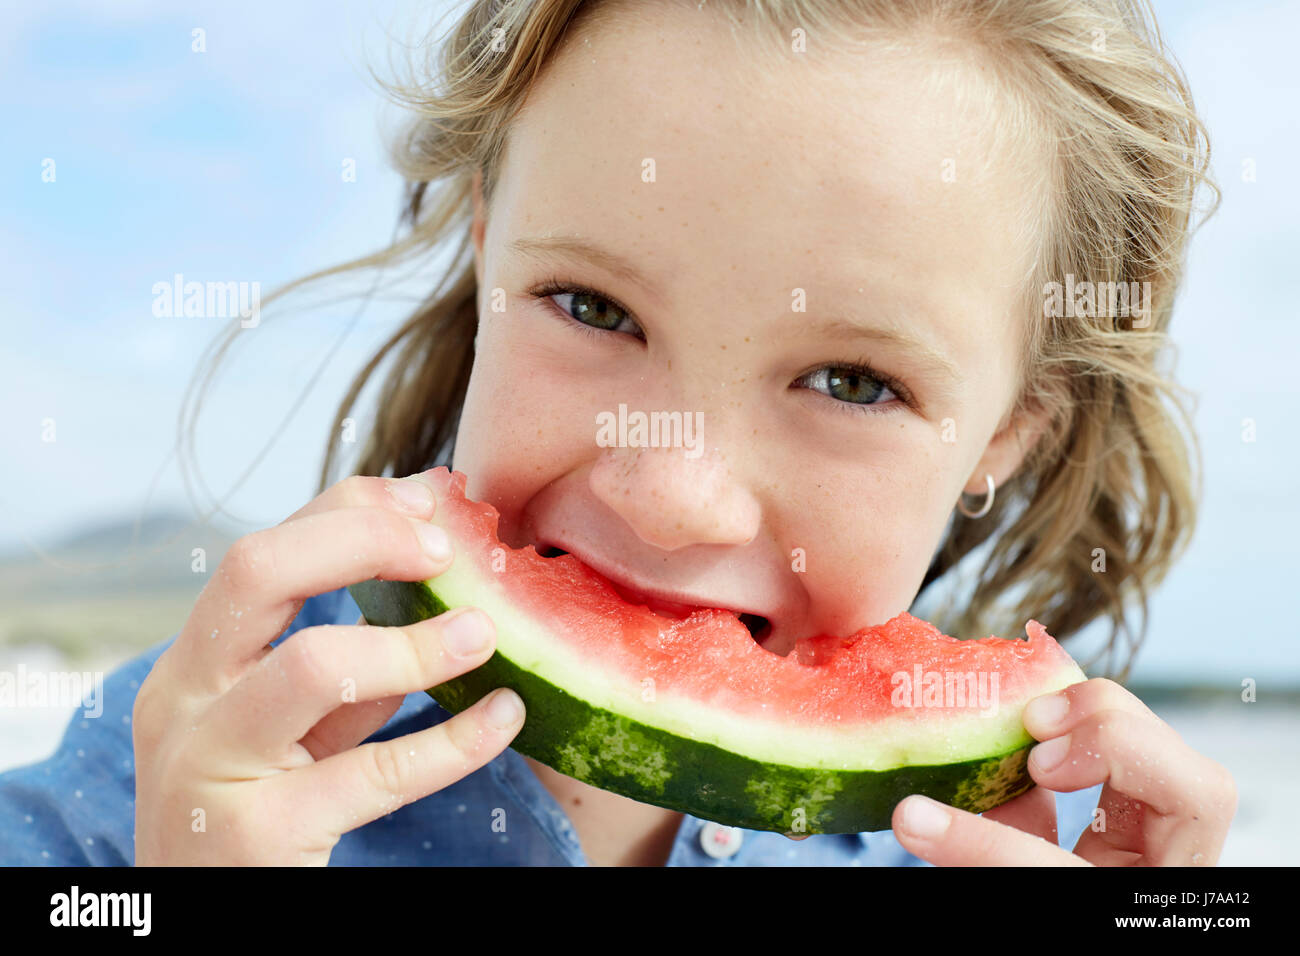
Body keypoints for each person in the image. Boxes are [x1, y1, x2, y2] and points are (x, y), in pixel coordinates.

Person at [0, 0, 1235, 866]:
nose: (670, 493)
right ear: (486, 250)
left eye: (851, 382)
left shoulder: (1034, 851)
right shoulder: (172, 761)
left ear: (1002, 437)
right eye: (593, 308)